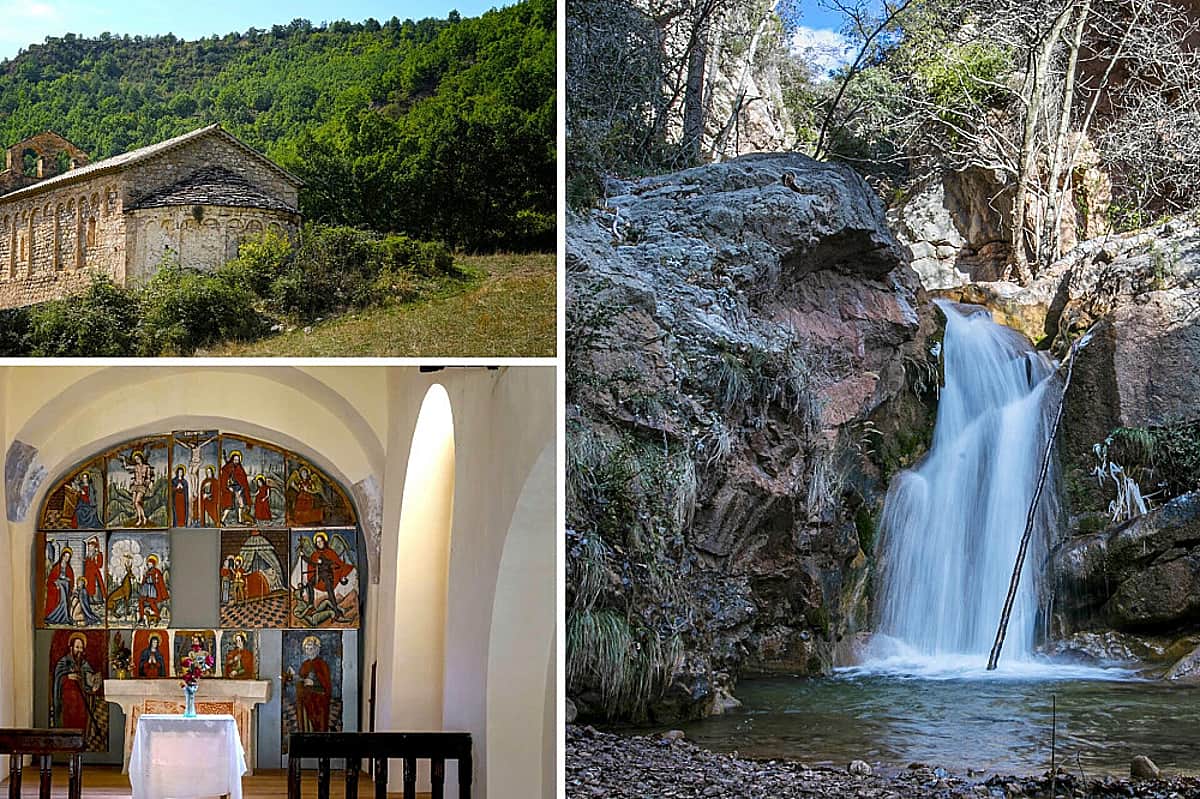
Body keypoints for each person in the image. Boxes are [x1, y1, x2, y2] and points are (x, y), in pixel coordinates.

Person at [52, 633, 101, 736]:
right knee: (69, 722)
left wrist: (94, 680)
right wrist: (67, 677)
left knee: (81, 721)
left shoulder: (84, 663)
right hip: (67, 701)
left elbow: (89, 678)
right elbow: (57, 678)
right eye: (77, 647)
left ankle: (82, 739)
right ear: (71, 647)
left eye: (81, 648)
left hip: (81, 701)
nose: (79, 650)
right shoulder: (63, 662)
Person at [301, 532, 353, 622]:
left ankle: (336, 613)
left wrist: (324, 562)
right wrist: (304, 557)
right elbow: (312, 563)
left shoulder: (330, 552)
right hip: (319, 575)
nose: (319, 543)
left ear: (324, 541)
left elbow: (337, 563)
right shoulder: (315, 554)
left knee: (330, 592)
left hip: (328, 575)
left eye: (320, 541)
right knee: (310, 584)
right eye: (317, 542)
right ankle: (311, 605)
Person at [292, 635, 331, 732]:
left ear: (317, 649)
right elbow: (301, 680)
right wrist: (296, 679)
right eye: (307, 648)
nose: (310, 651)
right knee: (306, 726)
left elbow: (326, 685)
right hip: (306, 699)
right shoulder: (305, 665)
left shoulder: (322, 665)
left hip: (319, 701)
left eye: (312, 648)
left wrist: (314, 683)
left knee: (319, 727)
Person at [118, 450, 155, 527]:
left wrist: (147, 484)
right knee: (134, 503)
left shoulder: (146, 467)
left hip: (142, 486)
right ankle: (141, 518)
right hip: (135, 486)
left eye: (137, 458)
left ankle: (142, 519)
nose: (137, 460)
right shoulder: (136, 467)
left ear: (141, 458)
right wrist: (124, 459)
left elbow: (149, 477)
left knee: (137, 502)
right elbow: (126, 467)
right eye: (135, 459)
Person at [218, 450, 251, 525]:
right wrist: (228, 486)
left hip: (239, 488)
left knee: (241, 505)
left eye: (238, 460)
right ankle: (222, 520)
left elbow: (243, 479)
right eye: (235, 459)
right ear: (232, 459)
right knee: (229, 505)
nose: (236, 461)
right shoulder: (228, 467)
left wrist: (241, 488)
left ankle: (239, 520)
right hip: (231, 488)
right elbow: (224, 478)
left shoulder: (240, 468)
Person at [44, 547, 75, 625]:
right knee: (63, 597)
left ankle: (65, 616)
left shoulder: (69, 568)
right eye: (66, 556)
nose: (67, 558)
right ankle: (58, 617)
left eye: (68, 557)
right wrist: (56, 582)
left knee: (65, 592)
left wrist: (68, 579)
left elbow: (71, 579)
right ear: (62, 556)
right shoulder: (56, 567)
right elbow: (51, 579)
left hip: (65, 585)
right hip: (58, 585)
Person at [138, 554, 169, 625]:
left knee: (152, 603)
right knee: (140, 601)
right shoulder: (147, 572)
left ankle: (158, 616)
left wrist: (150, 576)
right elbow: (143, 581)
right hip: (145, 591)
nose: (148, 565)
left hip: (153, 591)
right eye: (148, 564)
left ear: (153, 564)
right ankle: (141, 617)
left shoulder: (156, 571)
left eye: (150, 564)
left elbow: (158, 581)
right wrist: (144, 576)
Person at [83, 537, 105, 603]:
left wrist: (96, 559)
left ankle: (97, 599)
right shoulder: (88, 555)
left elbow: (100, 565)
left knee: (95, 585)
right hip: (88, 573)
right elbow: (87, 563)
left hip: (94, 573)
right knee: (88, 585)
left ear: (94, 547)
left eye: (91, 547)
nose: (89, 548)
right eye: (89, 547)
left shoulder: (98, 554)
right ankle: (89, 598)